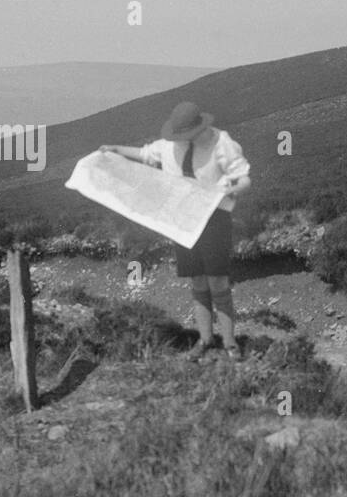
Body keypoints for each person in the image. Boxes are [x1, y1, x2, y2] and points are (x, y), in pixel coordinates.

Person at [99, 102, 251, 361]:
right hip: (183, 220)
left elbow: (244, 178)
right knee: (198, 281)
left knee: (218, 282)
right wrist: (115, 150)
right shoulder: (168, 146)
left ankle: (230, 343)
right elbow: (146, 154)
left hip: (214, 220)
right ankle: (204, 340)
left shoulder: (221, 143)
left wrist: (223, 191)